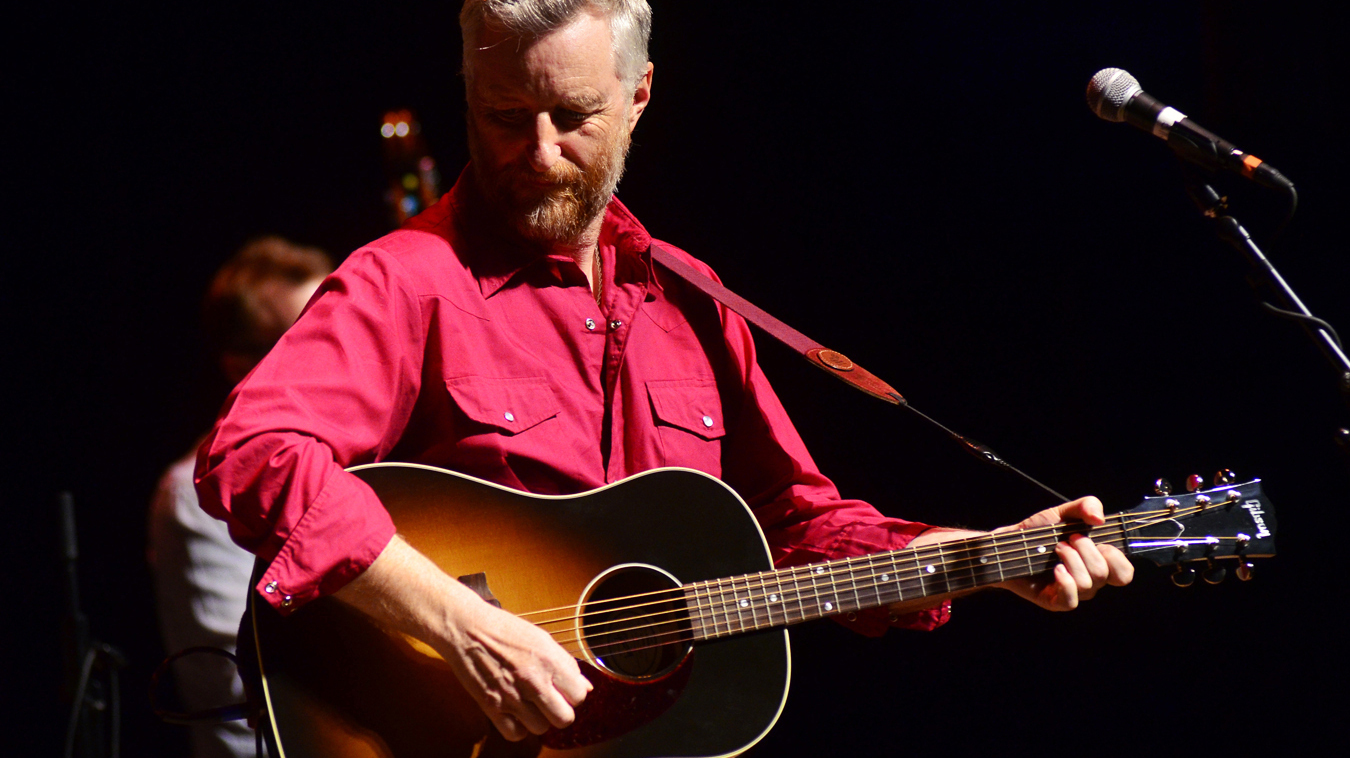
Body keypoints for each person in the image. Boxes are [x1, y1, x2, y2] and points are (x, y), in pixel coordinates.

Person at [195, 0, 1133, 746]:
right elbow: (253, 452)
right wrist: (460, 627)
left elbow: (804, 525)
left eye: (574, 117)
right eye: (504, 116)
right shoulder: (408, 280)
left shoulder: (692, 297)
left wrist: (985, 557)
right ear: (468, 88)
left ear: (640, 94)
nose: (539, 153)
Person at [149, 236, 332, 758]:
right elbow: (239, 682)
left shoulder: (368, 457)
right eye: (309, 341)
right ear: (239, 366)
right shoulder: (192, 496)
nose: (340, 357)